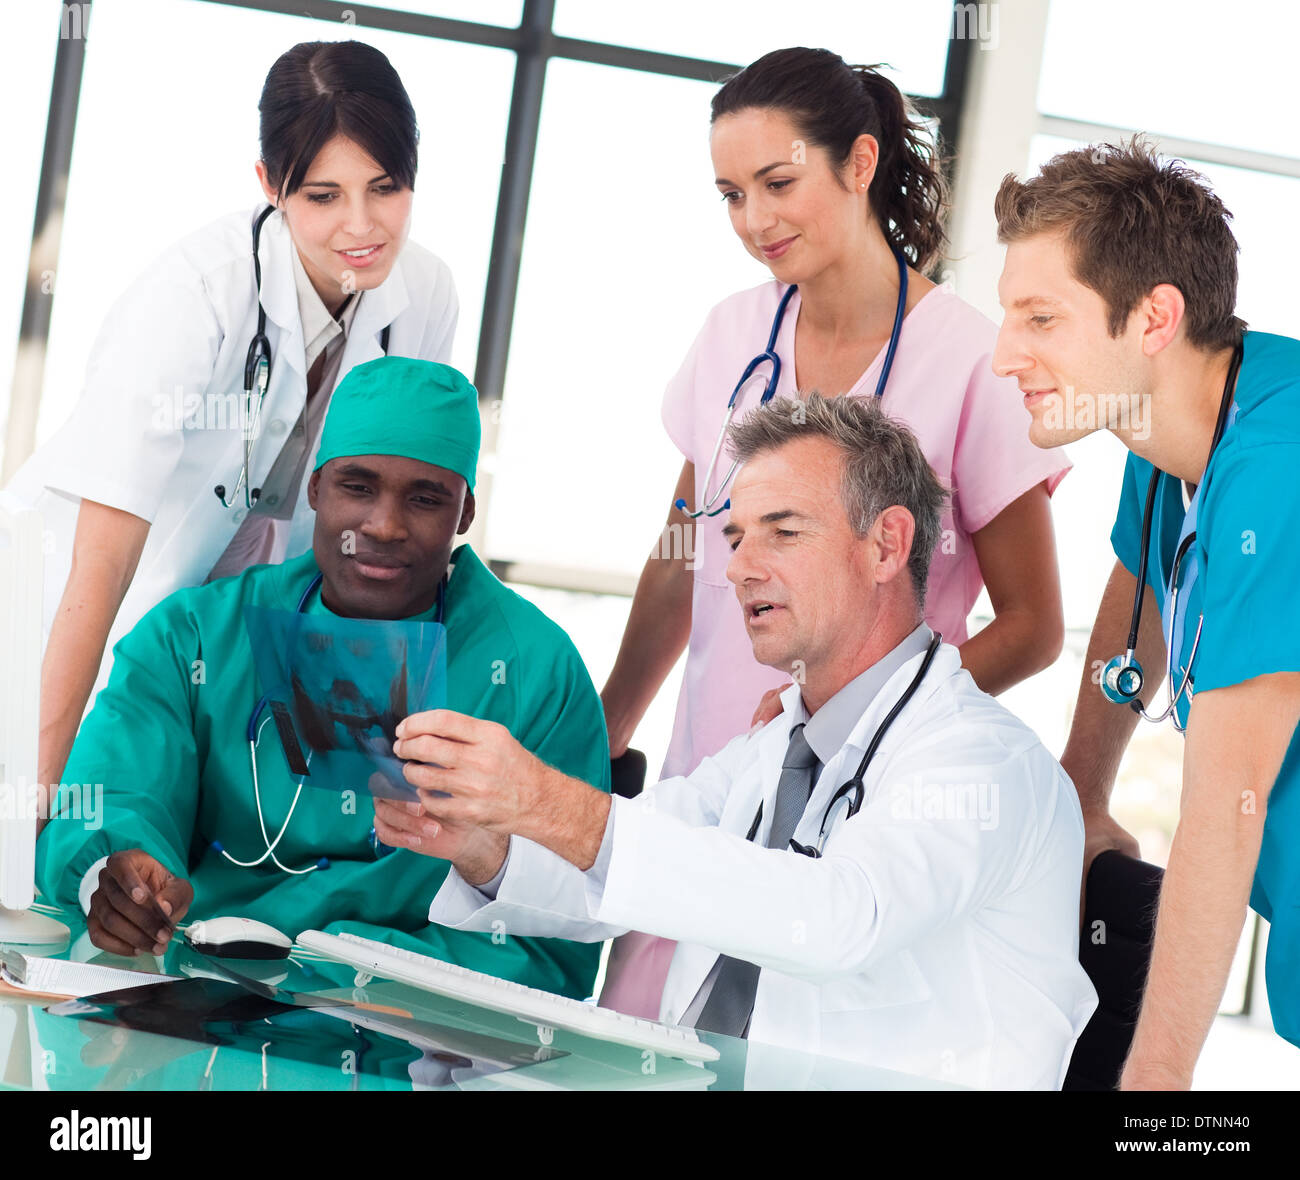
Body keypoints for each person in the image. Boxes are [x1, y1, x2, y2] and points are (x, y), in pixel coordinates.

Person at [376, 395, 1097, 1089]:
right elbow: (626, 869)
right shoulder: (776, 745)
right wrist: (485, 846)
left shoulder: (983, 764)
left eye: (782, 532)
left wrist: (548, 800)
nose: (738, 568)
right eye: (735, 536)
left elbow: (836, 918)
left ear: (887, 544)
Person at [598, 46, 1071, 1017]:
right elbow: (681, 550)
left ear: (859, 163)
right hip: (706, 780)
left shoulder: (972, 362)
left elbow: (1033, 624)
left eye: (778, 183)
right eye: (730, 195)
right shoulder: (732, 334)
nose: (754, 221)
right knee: (636, 1046)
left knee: (792, 1036)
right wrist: (605, 723)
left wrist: (863, 727)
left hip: (863, 804)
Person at [36, 358, 610, 1001]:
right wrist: (118, 880)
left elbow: (552, 945)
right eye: (356, 487)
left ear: (466, 510)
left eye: (425, 498)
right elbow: (113, 794)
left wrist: (339, 974)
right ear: (314, 489)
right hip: (183, 989)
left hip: (404, 1034)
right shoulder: (197, 635)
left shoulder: (533, 671)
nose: (384, 525)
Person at [5, 40, 458, 803]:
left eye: (385, 187)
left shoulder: (425, 294)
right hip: (62, 612)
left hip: (234, 629)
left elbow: (390, 524)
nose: (361, 225)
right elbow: (104, 560)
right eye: (322, 196)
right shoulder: (197, 294)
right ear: (270, 187)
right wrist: (35, 790)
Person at [992, 138, 1300, 1088]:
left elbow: (1227, 798)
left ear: (1155, 317)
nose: (1006, 355)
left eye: (1041, 318)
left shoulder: (1277, 466)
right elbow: (1140, 587)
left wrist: (1154, 1083)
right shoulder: (1165, 428)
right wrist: (1082, 791)